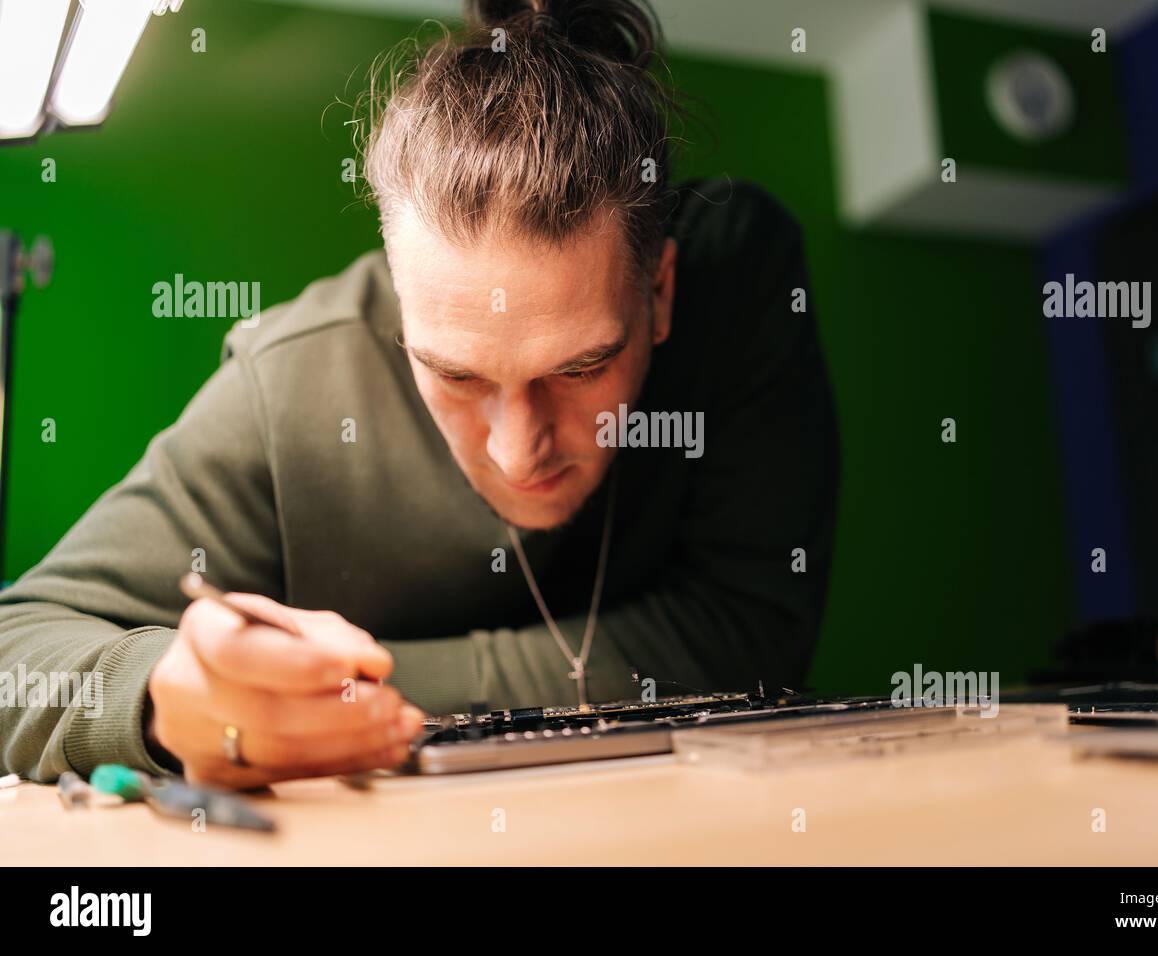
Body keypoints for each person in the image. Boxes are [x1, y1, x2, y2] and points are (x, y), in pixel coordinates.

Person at [0, 0, 838, 789]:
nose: (519, 451)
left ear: (659, 293)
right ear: (399, 297)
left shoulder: (738, 277)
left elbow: (751, 636)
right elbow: (15, 654)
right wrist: (157, 701)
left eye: (580, 369)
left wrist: (355, 694)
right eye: (455, 373)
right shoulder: (290, 377)